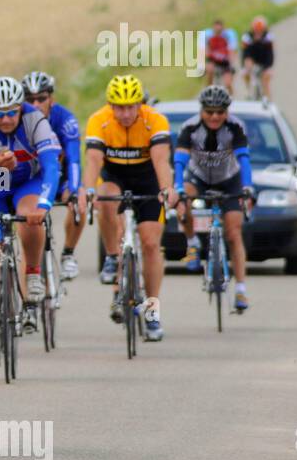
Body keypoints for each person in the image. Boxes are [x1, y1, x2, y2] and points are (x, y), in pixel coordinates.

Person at [82, 74, 174, 341]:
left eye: (130, 107)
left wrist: (167, 189)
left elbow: (160, 160)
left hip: (147, 178)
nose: (124, 113)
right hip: (115, 177)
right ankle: (112, 257)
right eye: (118, 107)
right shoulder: (99, 120)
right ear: (110, 105)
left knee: (149, 244)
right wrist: (86, 190)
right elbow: (94, 161)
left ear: (140, 104)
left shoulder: (155, 120)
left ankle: (153, 311)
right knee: (104, 196)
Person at [0, 77, 60, 364]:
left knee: (31, 215)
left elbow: (51, 165)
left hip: (27, 183)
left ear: (20, 108)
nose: (6, 119)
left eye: (11, 112)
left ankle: (33, 271)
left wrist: (45, 203)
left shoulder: (35, 120)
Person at [174, 85, 254, 311]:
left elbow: (244, 159)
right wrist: (178, 187)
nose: (215, 117)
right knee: (182, 199)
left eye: (220, 112)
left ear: (227, 112)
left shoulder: (236, 127)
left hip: (229, 178)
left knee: (233, 232)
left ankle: (241, 290)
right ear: (202, 111)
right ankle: (192, 243)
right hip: (198, 177)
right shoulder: (190, 127)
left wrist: (247, 187)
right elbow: (180, 160)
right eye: (210, 112)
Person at [21, 71, 85, 279]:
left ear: (52, 99)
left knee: (79, 204)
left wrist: (75, 190)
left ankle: (68, 253)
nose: (36, 104)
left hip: (62, 178)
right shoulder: (18, 120)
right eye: (30, 100)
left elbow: (74, 159)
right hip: (33, 180)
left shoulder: (65, 119)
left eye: (42, 98)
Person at [239, 16, 275, 102]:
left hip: (264, 60)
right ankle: (248, 90)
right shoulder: (247, 37)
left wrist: (267, 67)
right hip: (252, 59)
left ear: (264, 29)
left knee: (266, 79)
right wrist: (245, 65)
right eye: (256, 29)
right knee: (245, 73)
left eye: (260, 29)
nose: (258, 31)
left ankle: (268, 99)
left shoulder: (268, 37)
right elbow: (244, 53)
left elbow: (270, 54)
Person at [200, 19, 239, 93]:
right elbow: (204, 50)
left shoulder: (228, 35)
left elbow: (232, 51)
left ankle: (231, 98)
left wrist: (232, 64)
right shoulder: (208, 36)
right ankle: (209, 91)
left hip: (225, 62)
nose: (218, 32)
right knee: (209, 70)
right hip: (213, 60)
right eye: (216, 30)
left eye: (219, 30)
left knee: (228, 83)